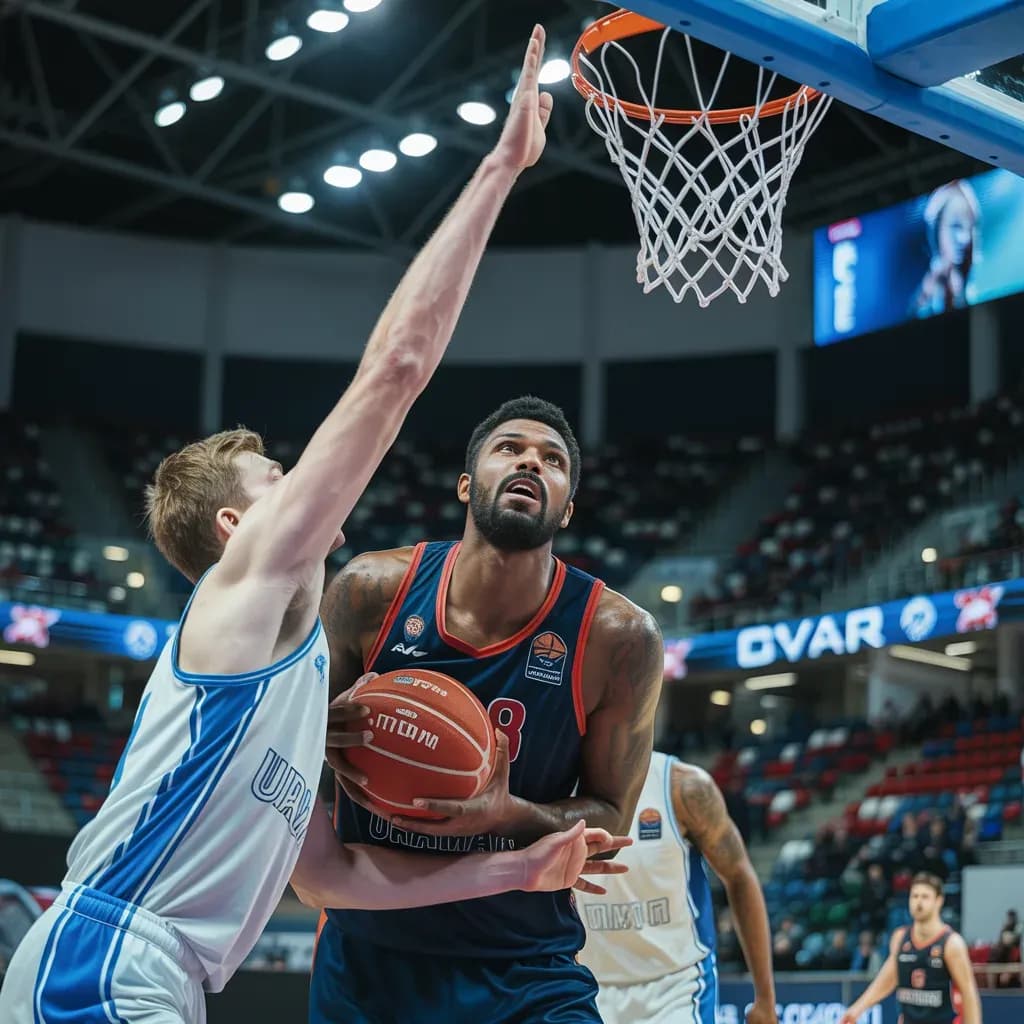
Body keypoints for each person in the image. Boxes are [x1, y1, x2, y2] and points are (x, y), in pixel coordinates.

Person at [0, 26, 628, 1024]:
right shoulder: (247, 586)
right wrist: (502, 168)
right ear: (237, 520)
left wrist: (520, 867)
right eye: (279, 477)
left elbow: (338, 882)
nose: (304, 487)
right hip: (107, 956)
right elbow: (398, 367)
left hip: (142, 971)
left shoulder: (298, 671)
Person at [314, 391, 665, 1023]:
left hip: (525, 967)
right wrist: (316, 739)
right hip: (370, 954)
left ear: (568, 509)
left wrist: (508, 814)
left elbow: (611, 826)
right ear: (466, 484)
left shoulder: (618, 638)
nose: (531, 463)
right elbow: (298, 780)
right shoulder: (369, 591)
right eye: (511, 449)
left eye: (552, 460)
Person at [575, 754, 777, 1024]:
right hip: (587, 984)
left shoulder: (684, 787)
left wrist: (765, 998)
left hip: (676, 987)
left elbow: (739, 875)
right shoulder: (553, 785)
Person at [840, 873, 982, 1024]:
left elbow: (969, 993)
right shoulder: (900, 937)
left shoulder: (951, 943)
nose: (918, 902)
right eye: (914, 896)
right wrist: (859, 1007)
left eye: (925, 897)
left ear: (939, 901)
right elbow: (889, 977)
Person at [912, 180, 981, 317]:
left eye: (969, 228)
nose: (964, 239)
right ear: (936, 231)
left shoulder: (974, 288)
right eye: (956, 226)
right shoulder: (926, 290)